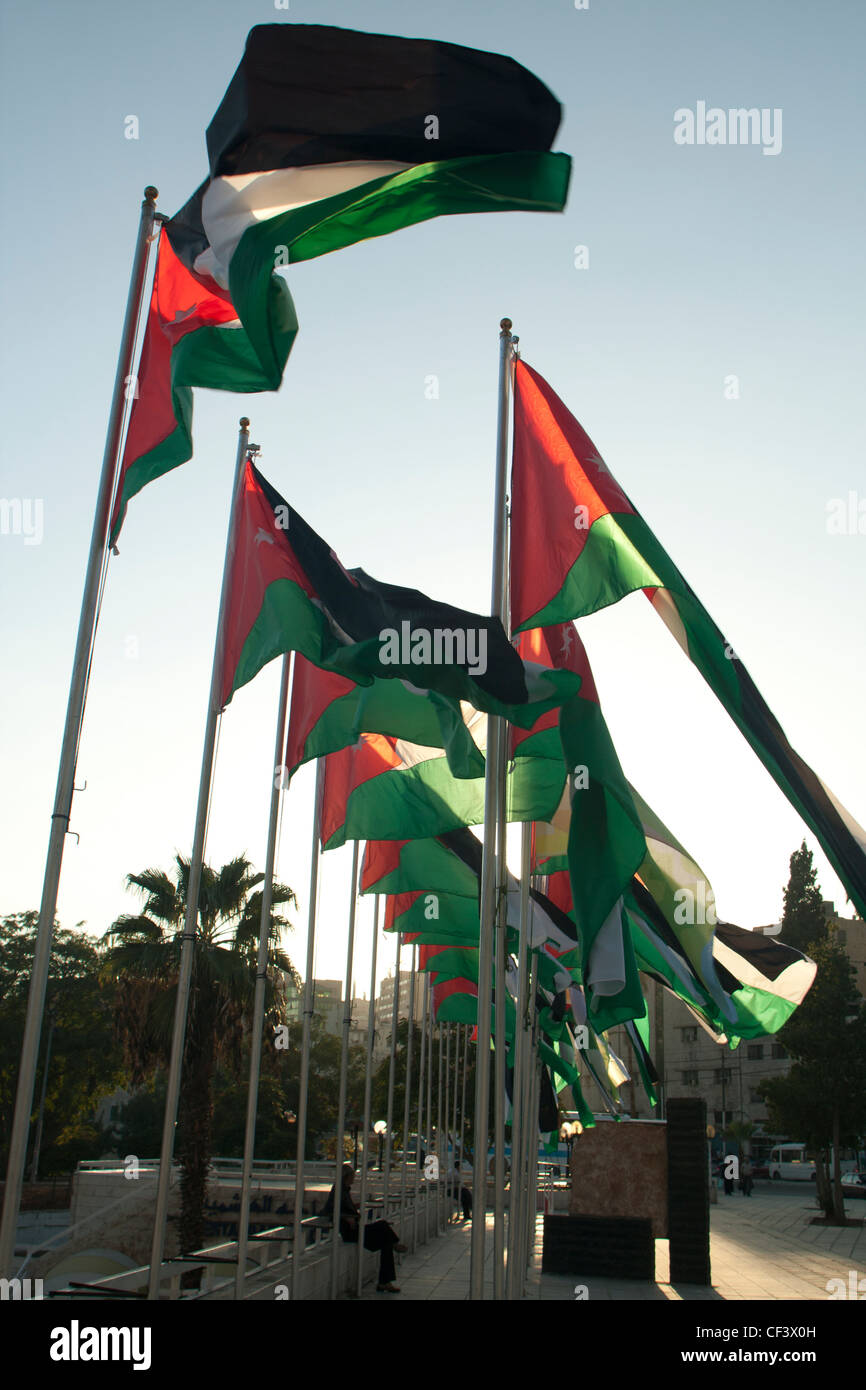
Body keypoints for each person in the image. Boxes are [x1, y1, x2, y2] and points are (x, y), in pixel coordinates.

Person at [321, 1164, 407, 1293]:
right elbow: (328, 1211)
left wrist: (355, 1207)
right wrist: (346, 1217)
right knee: (383, 1225)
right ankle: (395, 1246)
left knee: (386, 1241)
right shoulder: (338, 1191)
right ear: (347, 1176)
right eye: (352, 1176)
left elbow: (345, 1207)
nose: (354, 1178)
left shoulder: (345, 1190)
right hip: (350, 1232)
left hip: (355, 1228)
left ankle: (385, 1282)